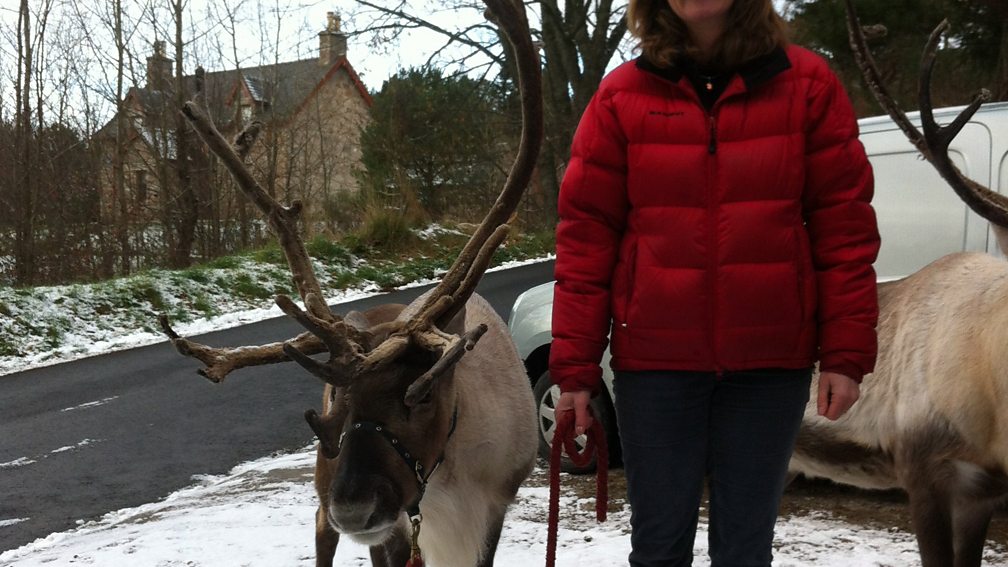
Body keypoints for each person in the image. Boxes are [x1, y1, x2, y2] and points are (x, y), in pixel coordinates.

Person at [549, 0, 880, 565]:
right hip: (655, 368)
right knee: (657, 549)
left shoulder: (808, 86)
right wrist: (575, 371)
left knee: (746, 552)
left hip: (770, 366)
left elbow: (844, 230)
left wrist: (846, 354)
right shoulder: (620, 96)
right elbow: (585, 240)